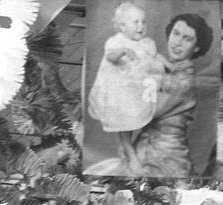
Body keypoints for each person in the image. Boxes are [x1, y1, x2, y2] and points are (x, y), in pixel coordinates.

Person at [89, 11, 214, 178]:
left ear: (197, 47)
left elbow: (146, 110)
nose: (178, 42)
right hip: (142, 151)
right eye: (176, 34)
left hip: (166, 158)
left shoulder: (184, 81)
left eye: (187, 39)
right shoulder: (162, 68)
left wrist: (121, 92)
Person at [87, 1, 164, 172]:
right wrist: (122, 51)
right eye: (135, 22)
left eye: (144, 22)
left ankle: (133, 147)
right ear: (122, 26)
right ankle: (130, 153)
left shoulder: (147, 43)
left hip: (138, 89)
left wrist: (167, 65)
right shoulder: (116, 41)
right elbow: (110, 57)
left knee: (142, 118)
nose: (141, 26)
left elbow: (154, 56)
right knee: (125, 122)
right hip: (119, 93)